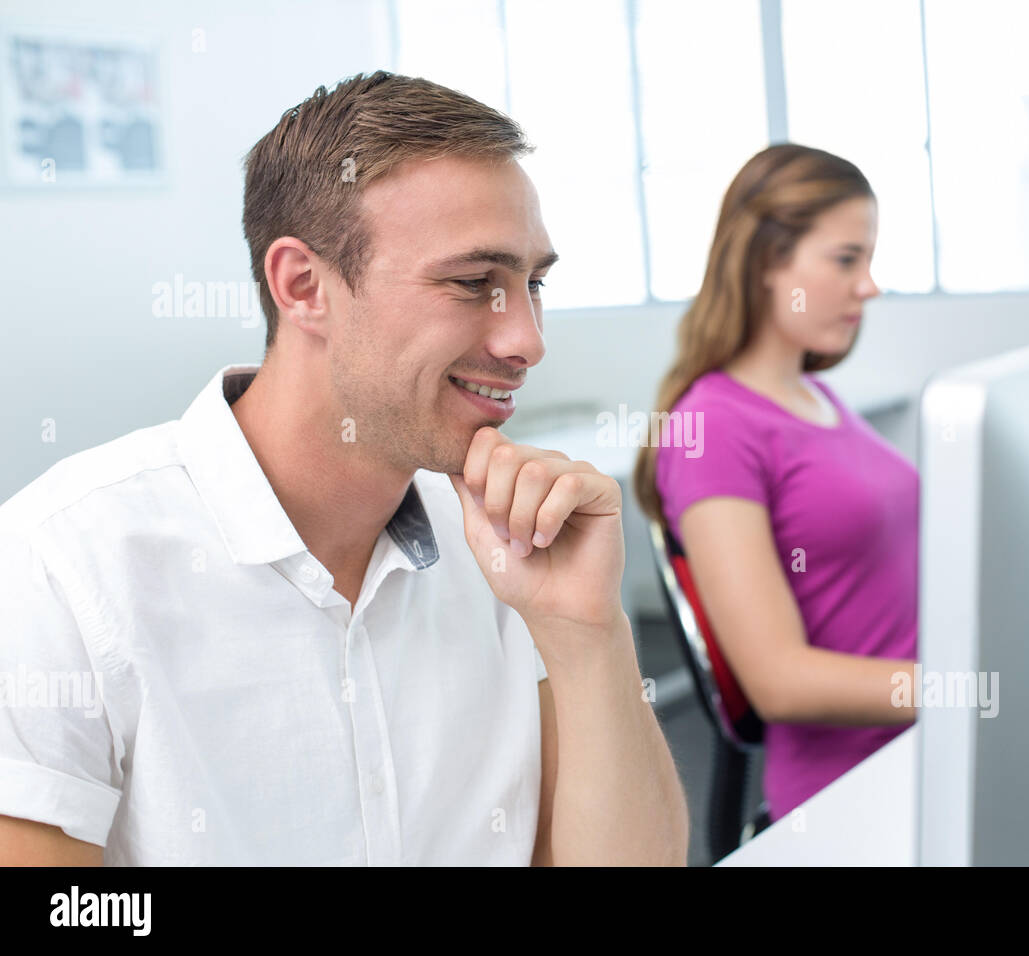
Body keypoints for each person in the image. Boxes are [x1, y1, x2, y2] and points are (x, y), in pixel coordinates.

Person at [0, 72, 687, 866]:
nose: (528, 339)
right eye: (474, 283)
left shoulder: (501, 548)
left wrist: (587, 634)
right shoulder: (57, 567)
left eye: (533, 285)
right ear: (303, 287)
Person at [633, 144, 918, 822]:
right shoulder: (712, 425)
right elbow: (778, 681)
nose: (868, 285)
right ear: (767, 262)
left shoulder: (814, 394)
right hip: (854, 786)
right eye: (847, 259)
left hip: (923, 741)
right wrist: (969, 685)